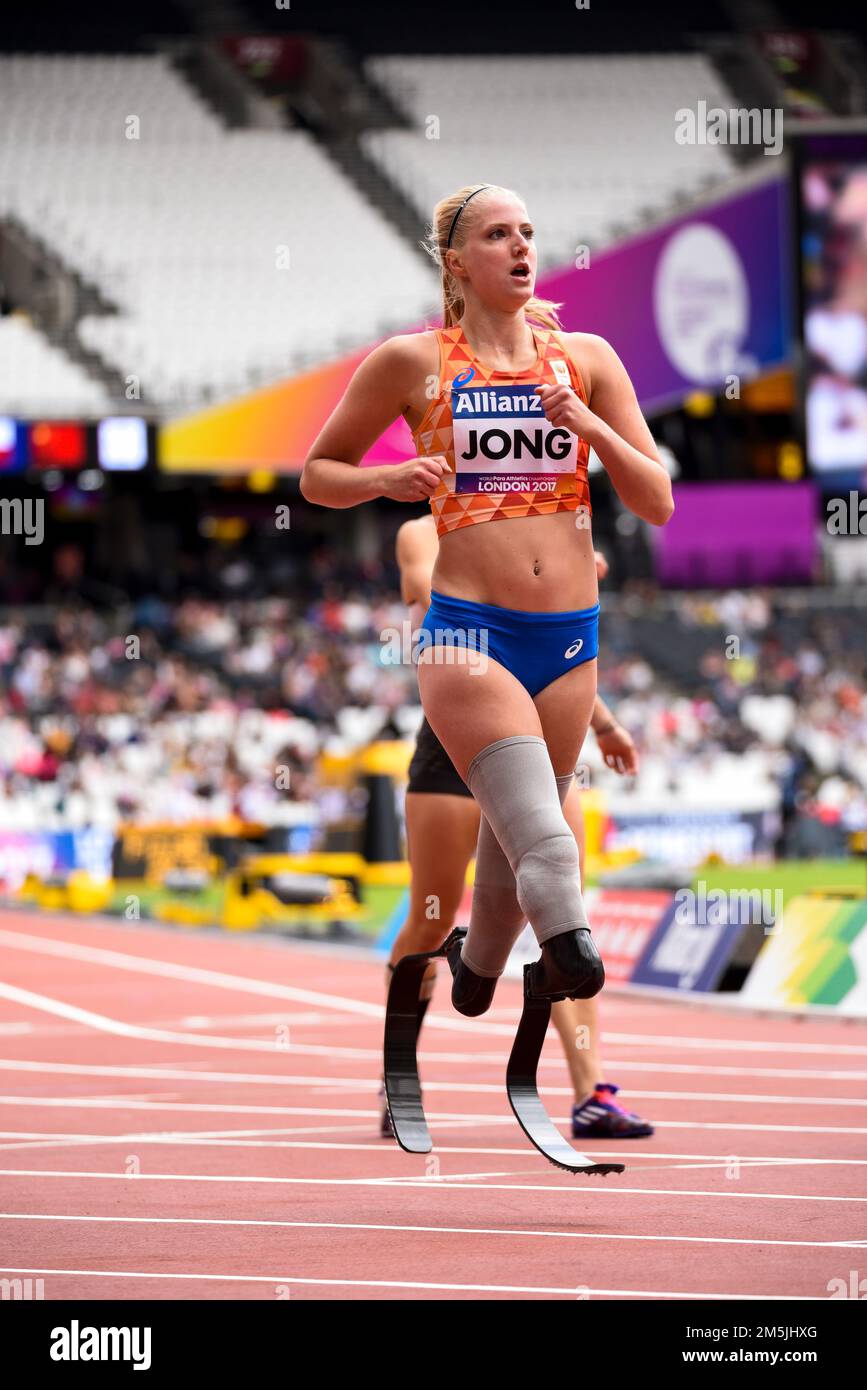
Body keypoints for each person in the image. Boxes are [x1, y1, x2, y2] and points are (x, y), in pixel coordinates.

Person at [302, 182, 672, 1056]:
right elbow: (319, 473)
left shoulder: (584, 359)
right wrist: (383, 481)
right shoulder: (412, 362)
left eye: (528, 232)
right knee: (545, 832)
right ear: (455, 260)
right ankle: (572, 954)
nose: (520, 247)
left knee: (508, 874)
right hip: (470, 634)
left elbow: (654, 500)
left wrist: (590, 428)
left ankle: (479, 965)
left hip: (570, 636)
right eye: (497, 234)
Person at [385, 513, 653, 1138]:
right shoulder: (419, 530)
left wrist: (605, 724)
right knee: (431, 915)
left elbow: (556, 642)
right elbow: (441, 601)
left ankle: (591, 1091)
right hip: (460, 729)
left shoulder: (553, 511)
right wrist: (510, 569)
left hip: (544, 729)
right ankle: (399, 1071)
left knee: (564, 907)